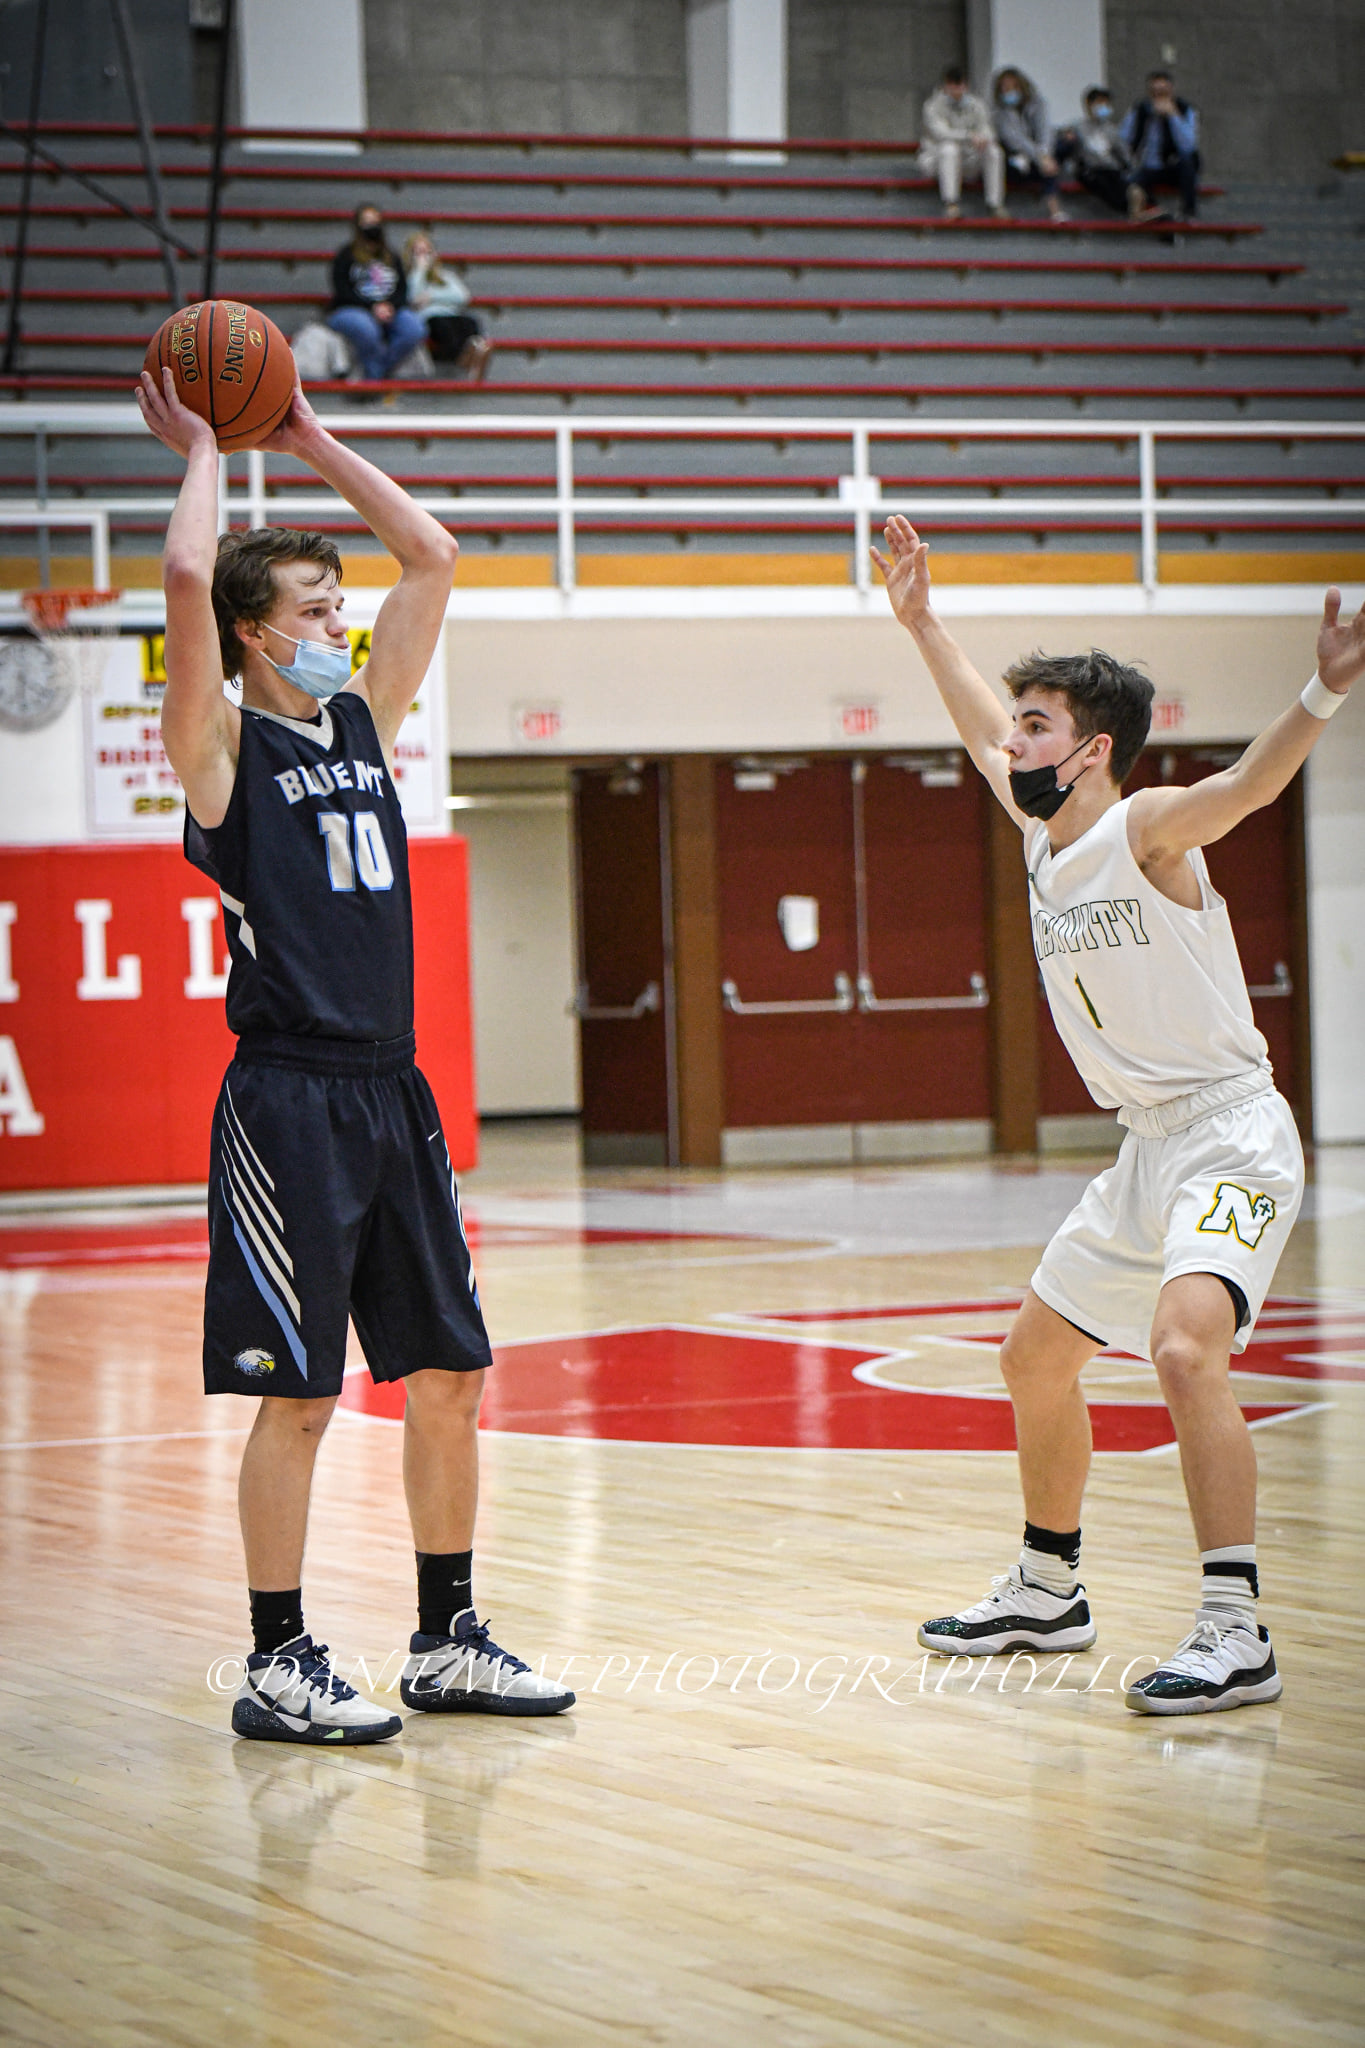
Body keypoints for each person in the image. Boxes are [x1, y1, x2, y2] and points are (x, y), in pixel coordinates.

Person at [134, 362, 575, 1742]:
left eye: (339, 607)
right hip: (288, 1104)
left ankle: (445, 1637)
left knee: (448, 1374)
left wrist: (309, 433)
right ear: (257, 640)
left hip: (397, 1086)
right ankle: (276, 1660)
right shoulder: (217, 753)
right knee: (303, 1394)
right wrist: (208, 446)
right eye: (315, 611)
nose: (341, 622)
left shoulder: (363, 726)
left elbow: (432, 555)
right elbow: (186, 571)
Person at [871, 512, 1363, 1715]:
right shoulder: (1044, 836)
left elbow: (1248, 785)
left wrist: (1322, 689)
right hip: (1146, 1144)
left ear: (1091, 750)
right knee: (1033, 1355)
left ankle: (1235, 1626)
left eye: (1035, 725)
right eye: (1017, 722)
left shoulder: (1145, 828)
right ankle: (1049, 1587)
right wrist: (921, 618)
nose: (1012, 738)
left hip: (1232, 1129)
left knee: (1186, 1348)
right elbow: (972, 716)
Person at [327, 203, 426, 382]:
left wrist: (389, 306)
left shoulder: (391, 256)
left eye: (375, 221)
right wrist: (372, 307)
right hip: (352, 309)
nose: (372, 226)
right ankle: (375, 380)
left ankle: (380, 370)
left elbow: (402, 289)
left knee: (414, 328)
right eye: (366, 221)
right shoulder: (345, 255)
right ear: (357, 225)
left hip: (389, 309)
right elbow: (342, 290)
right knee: (367, 329)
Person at [919, 66, 1008, 221]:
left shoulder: (977, 105)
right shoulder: (932, 106)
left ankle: (995, 204)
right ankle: (951, 203)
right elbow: (941, 133)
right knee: (949, 149)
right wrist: (968, 136)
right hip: (936, 160)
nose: (957, 91)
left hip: (968, 159)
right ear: (945, 86)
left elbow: (987, 129)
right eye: (953, 86)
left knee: (994, 151)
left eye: (960, 86)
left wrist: (983, 139)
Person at [402, 232, 493, 381]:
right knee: (443, 328)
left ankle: (476, 350)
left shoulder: (445, 277)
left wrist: (432, 297)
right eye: (418, 252)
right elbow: (412, 297)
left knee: (470, 322)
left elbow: (462, 296)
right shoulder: (409, 277)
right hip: (429, 317)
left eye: (427, 251)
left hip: (451, 313)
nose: (424, 256)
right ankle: (468, 361)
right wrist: (419, 271)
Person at [1122, 69, 1200, 220]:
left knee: (1188, 163)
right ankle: (1155, 213)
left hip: (1174, 166)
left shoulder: (1184, 110)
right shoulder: (1140, 110)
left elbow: (1189, 145)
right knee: (1132, 183)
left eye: (1163, 92)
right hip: (1150, 166)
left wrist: (1173, 116)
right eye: (1155, 92)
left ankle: (1189, 212)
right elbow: (1123, 139)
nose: (1159, 96)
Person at [991, 67, 1067, 222]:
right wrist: (1040, 157)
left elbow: (1045, 131)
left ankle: (1054, 207)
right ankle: (1053, 206)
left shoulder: (1038, 104)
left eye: (1014, 87)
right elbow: (1015, 140)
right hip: (1016, 157)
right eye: (1005, 88)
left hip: (1041, 157)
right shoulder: (999, 113)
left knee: (1064, 143)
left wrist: (1045, 155)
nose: (1009, 91)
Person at [1057, 86, 1138, 215]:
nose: (1103, 106)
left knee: (1128, 185)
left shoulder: (1112, 130)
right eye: (1099, 102)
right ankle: (1127, 208)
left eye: (1106, 103)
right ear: (1089, 104)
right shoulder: (1077, 127)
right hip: (1091, 170)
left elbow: (1125, 155)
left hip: (1111, 169)